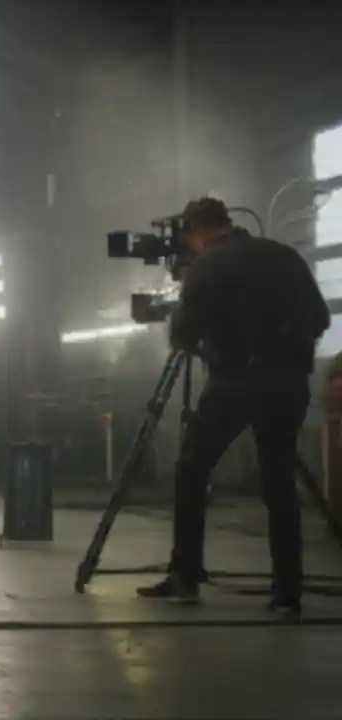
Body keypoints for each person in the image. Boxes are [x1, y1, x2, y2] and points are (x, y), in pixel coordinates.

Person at [137, 197, 331, 615]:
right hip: (288, 384)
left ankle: (185, 576)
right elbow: (319, 317)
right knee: (279, 482)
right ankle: (286, 593)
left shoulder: (207, 268)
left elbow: (184, 336)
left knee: (192, 468)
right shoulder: (283, 256)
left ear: (198, 233)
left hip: (234, 383)